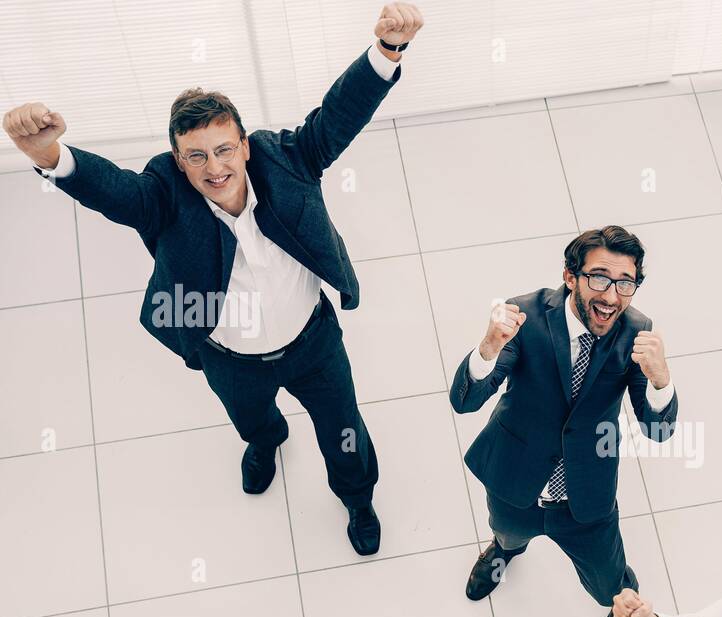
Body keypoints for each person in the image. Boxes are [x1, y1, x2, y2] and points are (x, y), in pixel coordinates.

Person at [2, 3, 427, 556]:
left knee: (344, 433)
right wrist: (50, 156)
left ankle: (357, 497)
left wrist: (388, 49)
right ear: (179, 162)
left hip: (313, 343)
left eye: (225, 149)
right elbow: (114, 190)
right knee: (252, 421)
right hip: (231, 358)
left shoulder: (289, 159)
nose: (214, 167)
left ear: (246, 147)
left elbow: (339, 114)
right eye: (196, 156)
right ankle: (267, 442)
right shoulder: (162, 196)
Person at [449, 226, 679, 617]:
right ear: (570, 277)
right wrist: (488, 346)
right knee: (506, 533)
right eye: (599, 277)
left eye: (625, 282)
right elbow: (464, 402)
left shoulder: (635, 331)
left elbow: (660, 431)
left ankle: (618, 610)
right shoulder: (525, 316)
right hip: (516, 477)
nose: (612, 296)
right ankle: (502, 553)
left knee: (610, 579)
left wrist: (661, 379)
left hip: (585, 494)